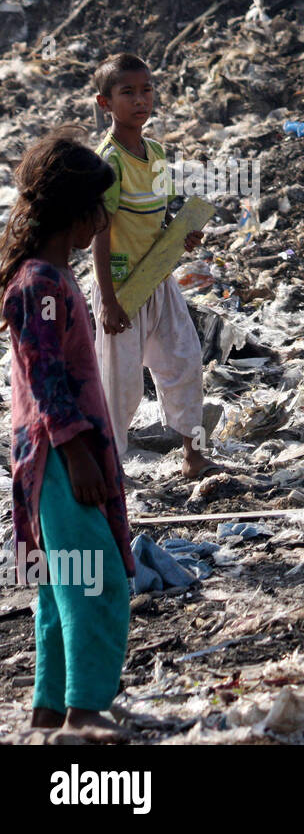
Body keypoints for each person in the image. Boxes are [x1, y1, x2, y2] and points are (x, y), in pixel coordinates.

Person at [1, 127, 133, 741]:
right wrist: (78, 452)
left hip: (49, 453)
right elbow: (44, 370)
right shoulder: (42, 287)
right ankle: (84, 711)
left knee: (61, 584)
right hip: (60, 455)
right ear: (74, 212)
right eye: (98, 209)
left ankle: (50, 709)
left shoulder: (45, 279)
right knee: (94, 579)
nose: (103, 222)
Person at [90, 53, 220, 478]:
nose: (140, 100)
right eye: (127, 92)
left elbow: (160, 216)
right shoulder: (108, 161)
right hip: (123, 287)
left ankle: (193, 454)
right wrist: (108, 301)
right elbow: (100, 232)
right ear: (104, 103)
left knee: (184, 361)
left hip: (159, 279)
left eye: (146, 90)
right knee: (121, 384)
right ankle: (110, 466)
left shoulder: (157, 152)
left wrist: (181, 235)